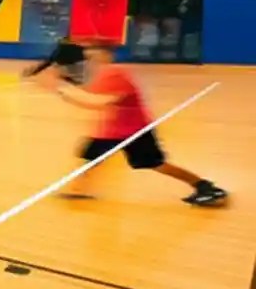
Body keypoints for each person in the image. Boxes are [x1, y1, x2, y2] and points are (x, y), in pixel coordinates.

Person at [36, 40, 227, 206]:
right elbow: (90, 97)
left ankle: (204, 186)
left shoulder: (116, 74)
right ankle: (77, 191)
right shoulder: (101, 75)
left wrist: (61, 89)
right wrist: (60, 87)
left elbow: (99, 103)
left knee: (156, 164)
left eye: (93, 52)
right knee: (88, 157)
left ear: (106, 55)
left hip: (133, 131)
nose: (88, 55)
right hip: (110, 130)